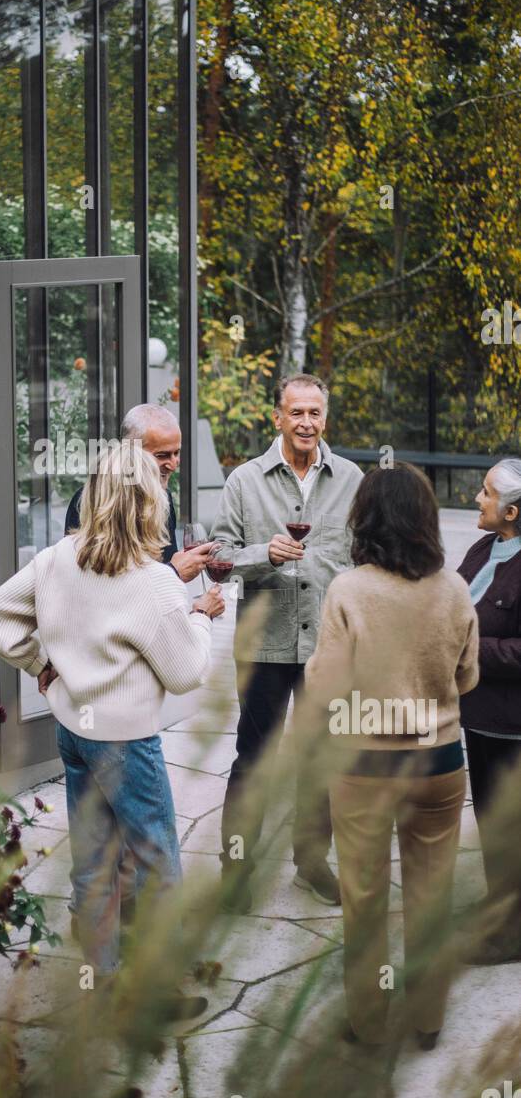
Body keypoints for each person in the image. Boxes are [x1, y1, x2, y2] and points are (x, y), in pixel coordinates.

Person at [0, 443, 224, 1018]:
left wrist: (42, 662)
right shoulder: (154, 581)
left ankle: (103, 981)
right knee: (157, 861)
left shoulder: (59, 557)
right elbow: (186, 672)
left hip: (74, 730)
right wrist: (200, 616)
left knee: (92, 862)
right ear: (149, 502)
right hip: (126, 742)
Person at [302, 464, 479, 1049]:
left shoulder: (349, 590)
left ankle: (369, 1023)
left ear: (365, 519)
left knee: (365, 898)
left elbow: (325, 686)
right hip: (438, 764)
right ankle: (427, 1021)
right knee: (432, 897)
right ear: (427, 520)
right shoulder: (454, 589)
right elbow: (469, 677)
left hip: (363, 767)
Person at [210, 373, 363, 907]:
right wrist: (262, 555)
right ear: (277, 417)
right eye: (295, 413)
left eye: (315, 413)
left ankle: (311, 861)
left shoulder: (350, 478)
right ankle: (235, 869)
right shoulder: (244, 482)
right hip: (265, 645)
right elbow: (218, 558)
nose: (306, 423)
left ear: (325, 418)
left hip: (327, 645)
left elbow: (363, 558)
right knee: (253, 759)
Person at [456, 458, 521, 964]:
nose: (477, 500)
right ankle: (501, 905)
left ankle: (510, 935)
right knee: (489, 817)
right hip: (476, 714)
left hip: (511, 725)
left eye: (485, 494)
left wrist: (470, 647)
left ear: (512, 511)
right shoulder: (484, 546)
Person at [63, 403, 214, 584]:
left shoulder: (163, 499)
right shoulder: (91, 502)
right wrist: (174, 572)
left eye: (177, 452)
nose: (174, 464)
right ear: (128, 452)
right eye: (162, 455)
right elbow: (95, 584)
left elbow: (163, 569)